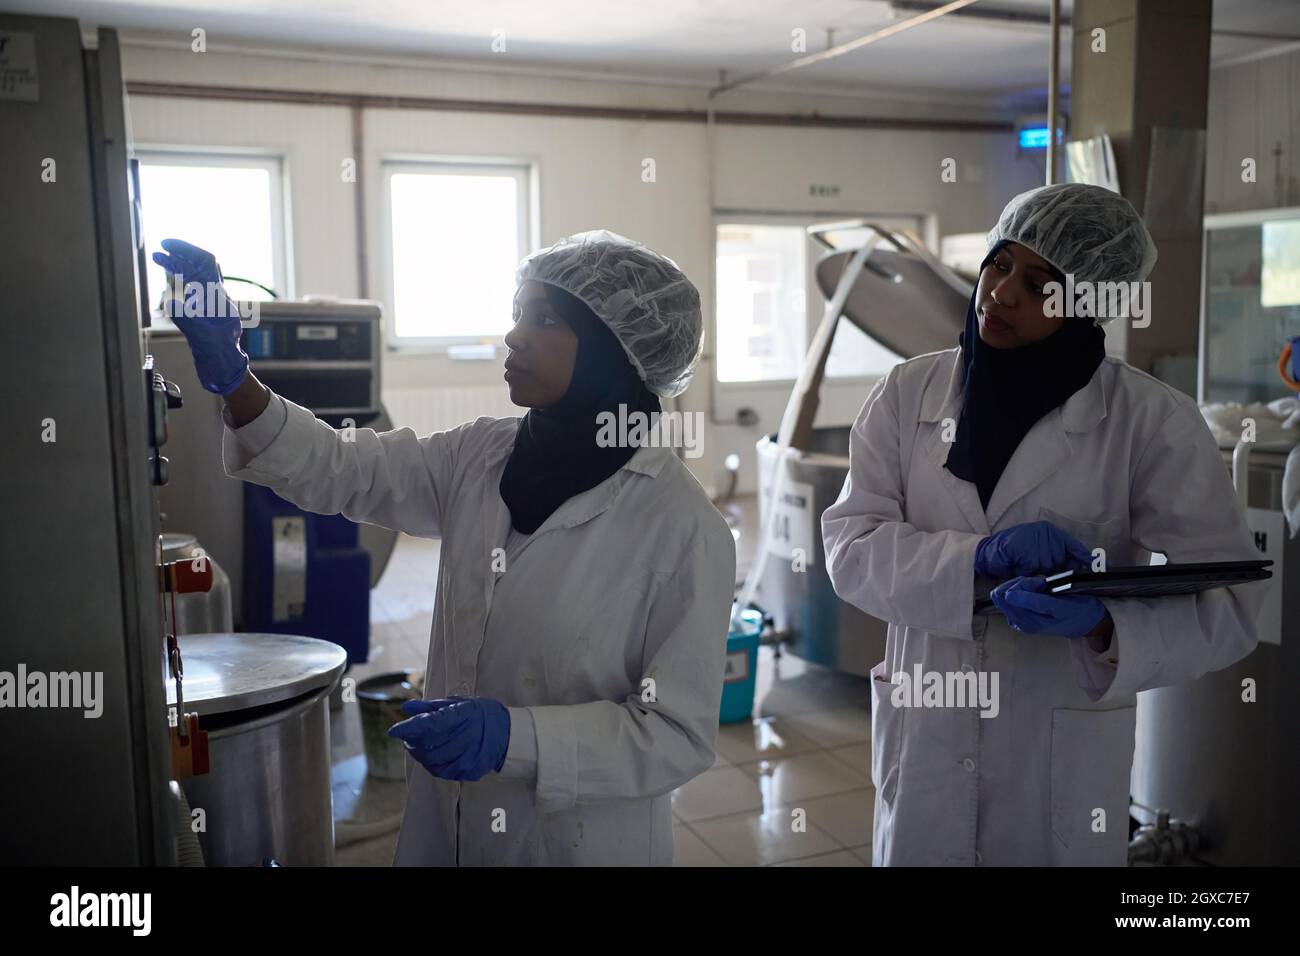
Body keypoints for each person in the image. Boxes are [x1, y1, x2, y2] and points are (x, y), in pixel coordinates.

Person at [153, 230, 736, 866]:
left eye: (544, 319)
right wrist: (236, 379)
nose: (514, 337)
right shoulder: (480, 454)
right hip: (449, 829)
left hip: (580, 846)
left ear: (613, 351)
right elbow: (343, 468)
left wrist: (515, 738)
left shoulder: (682, 528)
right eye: (518, 314)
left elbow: (675, 735)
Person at [821, 183, 1266, 866]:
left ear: (1086, 301)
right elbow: (852, 547)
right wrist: (976, 560)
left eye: (1039, 283)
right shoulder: (908, 393)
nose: (1000, 293)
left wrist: (1104, 625)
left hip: (1056, 764)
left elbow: (1230, 602)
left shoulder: (1150, 421)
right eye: (999, 265)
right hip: (927, 741)